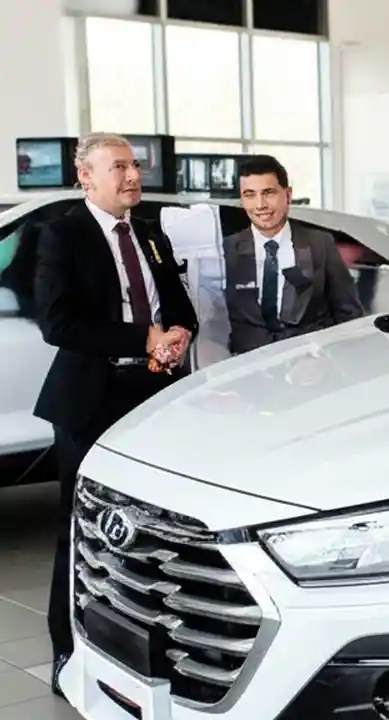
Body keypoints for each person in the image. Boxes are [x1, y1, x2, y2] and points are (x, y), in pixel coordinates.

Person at [33, 132, 199, 696]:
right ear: (86, 177)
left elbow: (175, 302)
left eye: (134, 166)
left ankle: (155, 651)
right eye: (118, 167)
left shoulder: (148, 231)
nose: (132, 176)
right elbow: (58, 323)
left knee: (160, 527)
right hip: (89, 397)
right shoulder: (62, 235)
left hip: (154, 393)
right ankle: (67, 652)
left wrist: (177, 332)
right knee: (80, 527)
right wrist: (141, 334)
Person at [222, 155, 363, 355]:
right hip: (248, 369)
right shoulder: (226, 250)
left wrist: (329, 361)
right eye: (250, 194)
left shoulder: (319, 244)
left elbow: (349, 314)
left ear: (287, 195)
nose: (260, 204)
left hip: (310, 370)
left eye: (268, 193)